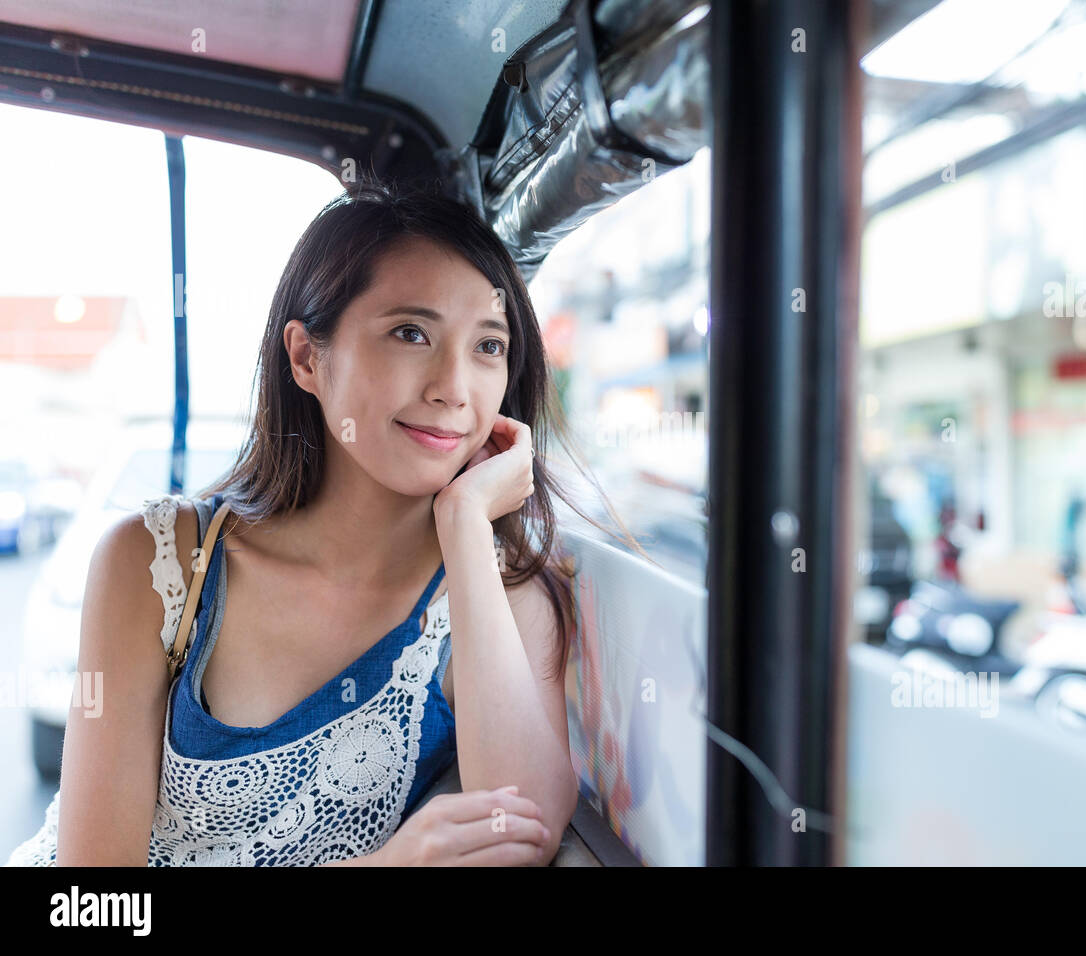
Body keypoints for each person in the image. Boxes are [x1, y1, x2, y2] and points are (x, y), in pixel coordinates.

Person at [6, 179, 642, 867]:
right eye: (411, 333)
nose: (453, 387)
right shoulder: (158, 562)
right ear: (308, 357)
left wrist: (464, 522)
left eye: (488, 347)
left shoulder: (496, 588)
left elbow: (520, 829)